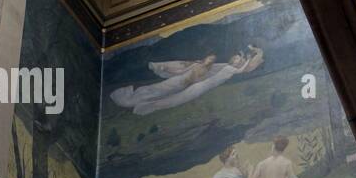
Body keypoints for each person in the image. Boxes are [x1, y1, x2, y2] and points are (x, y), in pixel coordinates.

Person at [111, 46, 264, 115]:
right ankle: (130, 99)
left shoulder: (222, 68)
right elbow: (179, 66)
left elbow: (242, 69)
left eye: (238, 59)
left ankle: (147, 106)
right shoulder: (198, 64)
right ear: (205, 58)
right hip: (178, 82)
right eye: (209, 58)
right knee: (156, 89)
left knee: (173, 100)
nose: (210, 61)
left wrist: (251, 56)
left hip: (196, 88)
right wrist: (162, 68)